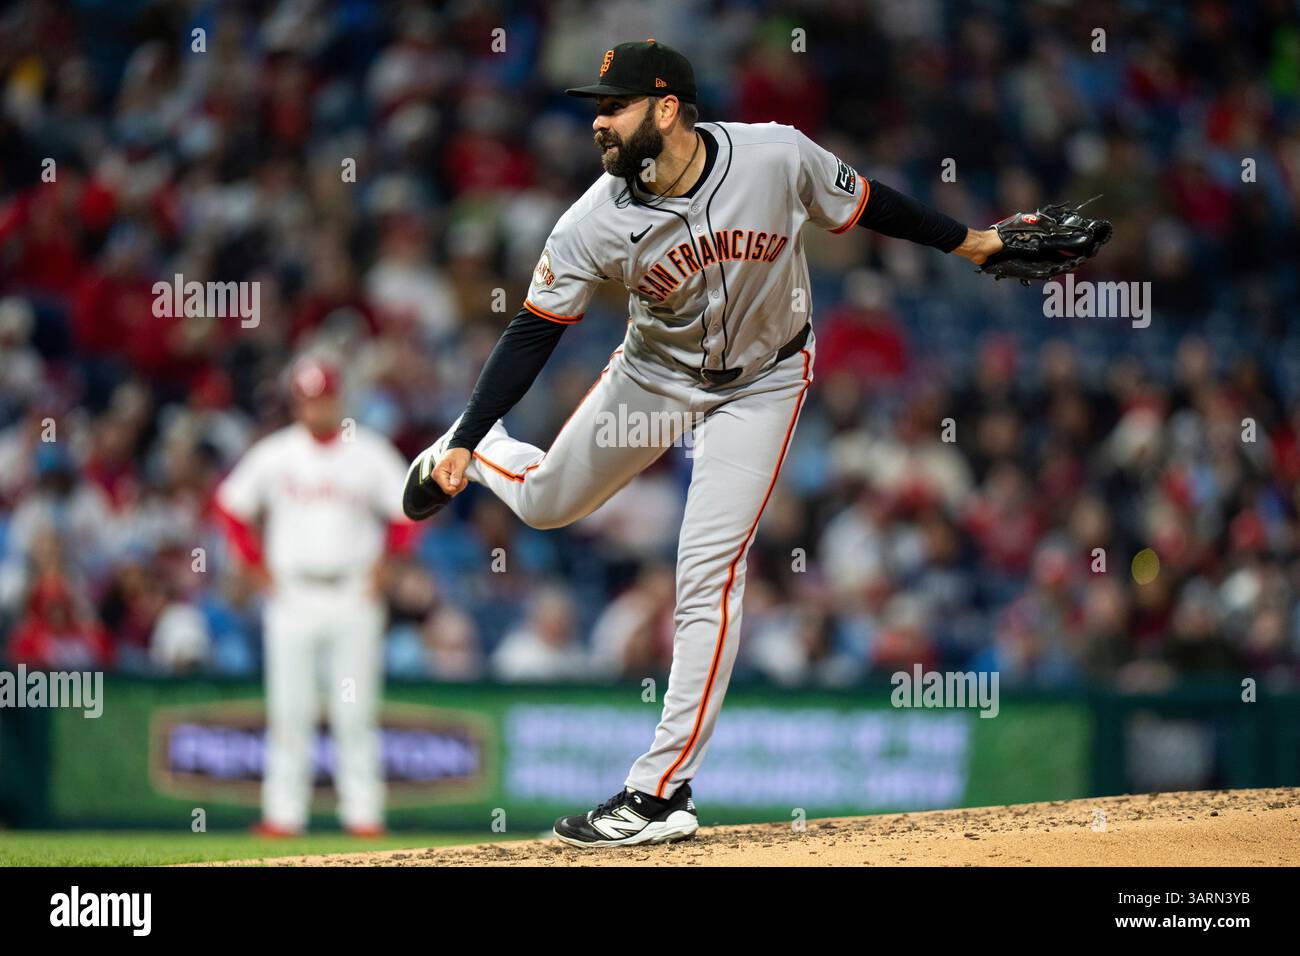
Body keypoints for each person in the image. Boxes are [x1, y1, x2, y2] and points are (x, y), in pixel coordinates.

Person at [402, 39, 1005, 848]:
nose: (599, 123)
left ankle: (660, 793)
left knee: (707, 573)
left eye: (613, 107)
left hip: (764, 380)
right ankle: (475, 449)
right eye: (597, 109)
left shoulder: (775, 156)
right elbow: (532, 332)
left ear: (666, 108)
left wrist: (978, 243)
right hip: (654, 377)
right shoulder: (593, 219)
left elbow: (870, 204)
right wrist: (471, 432)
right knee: (544, 505)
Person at [214, 355, 417, 837]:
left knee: (355, 711)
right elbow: (230, 507)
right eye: (306, 401)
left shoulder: (368, 451)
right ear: (296, 404)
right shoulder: (277, 453)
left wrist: (388, 565)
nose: (314, 409)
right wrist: (255, 565)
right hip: (292, 593)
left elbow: (409, 508)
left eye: (322, 399)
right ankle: (283, 814)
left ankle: (364, 814)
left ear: (338, 398)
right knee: (289, 710)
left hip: (353, 592)